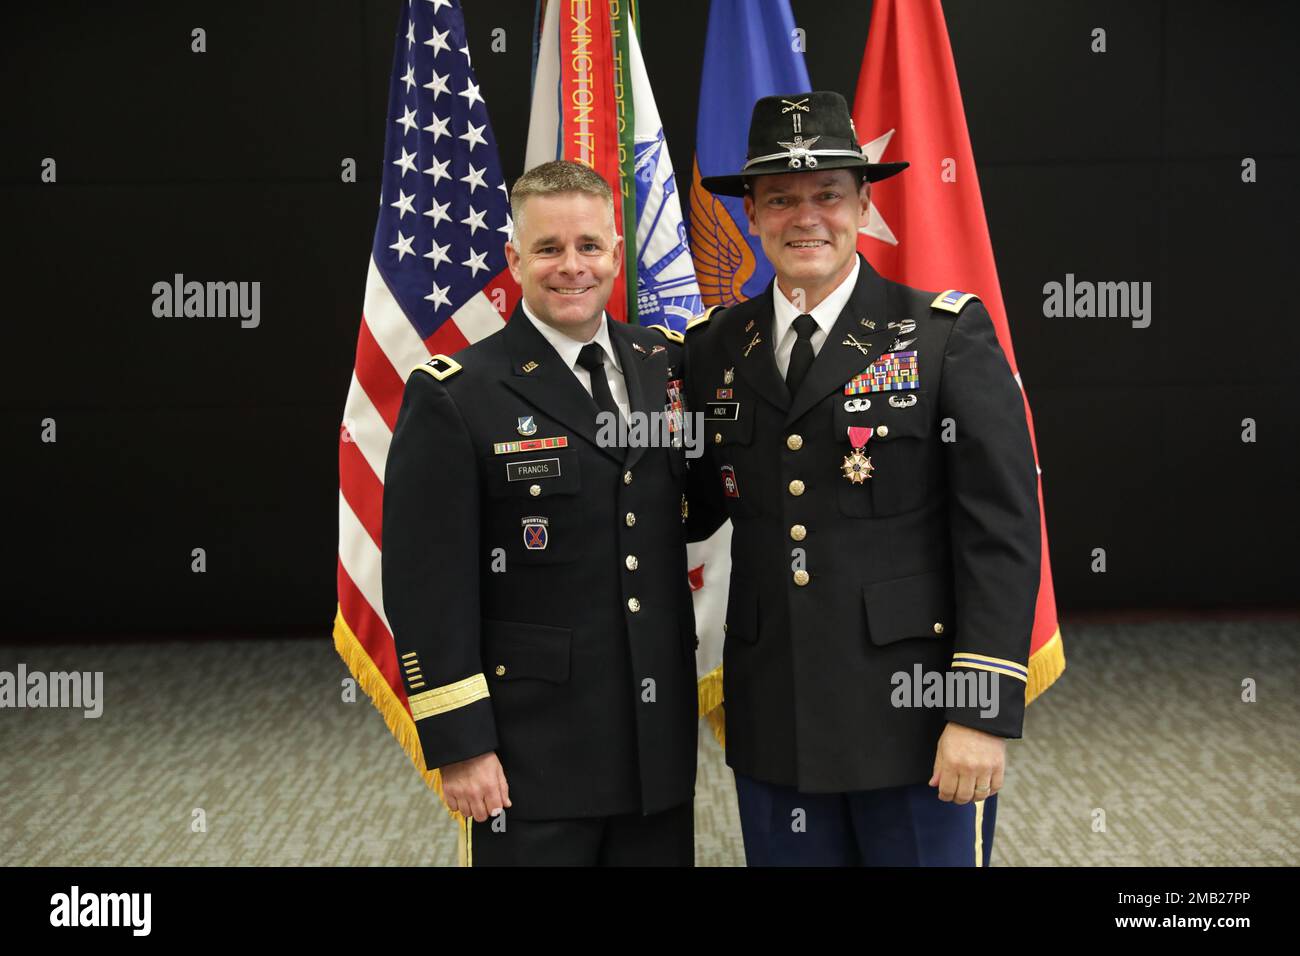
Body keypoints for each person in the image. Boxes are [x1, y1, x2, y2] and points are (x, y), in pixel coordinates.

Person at [684, 91, 1041, 866]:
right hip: (776, 713)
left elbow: (1001, 534)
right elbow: (688, 500)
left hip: (914, 722)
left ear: (863, 204)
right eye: (780, 198)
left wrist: (979, 714)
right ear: (751, 213)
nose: (804, 216)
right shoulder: (715, 346)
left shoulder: (944, 335)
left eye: (827, 195)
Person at [382, 160, 698, 866]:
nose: (571, 267)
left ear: (617, 254)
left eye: (588, 246)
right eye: (549, 249)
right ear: (514, 259)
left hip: (656, 749)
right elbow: (426, 589)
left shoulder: (665, 367)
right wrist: (462, 744)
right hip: (532, 755)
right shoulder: (458, 396)